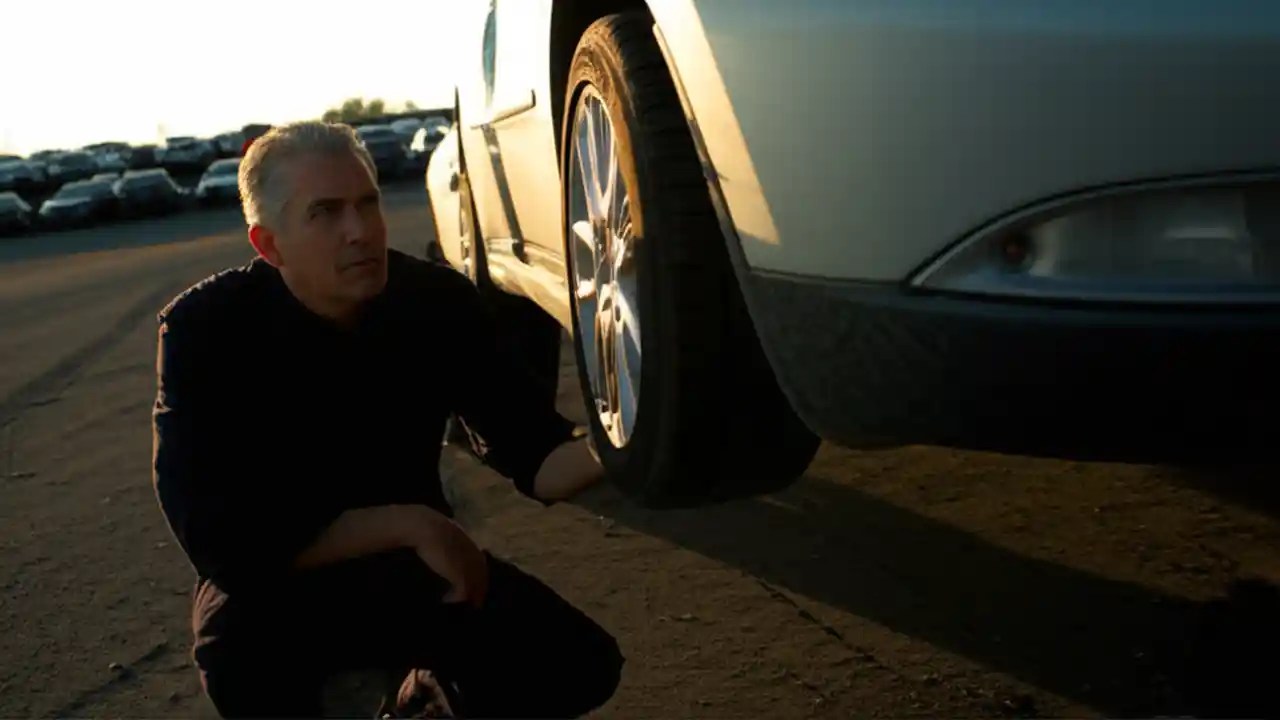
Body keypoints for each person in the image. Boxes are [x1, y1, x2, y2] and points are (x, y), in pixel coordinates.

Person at [151, 121, 624, 718]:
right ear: (269, 246)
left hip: (419, 572)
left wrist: (632, 439)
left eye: (366, 204)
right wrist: (408, 522)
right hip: (278, 575)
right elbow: (220, 538)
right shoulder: (205, 328)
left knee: (579, 665)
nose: (359, 232)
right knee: (241, 659)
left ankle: (422, 699)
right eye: (325, 213)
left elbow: (535, 452)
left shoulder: (435, 301)